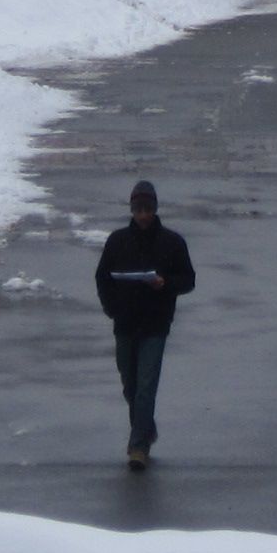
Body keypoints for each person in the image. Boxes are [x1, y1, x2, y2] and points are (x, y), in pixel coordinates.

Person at [94, 179, 196, 469]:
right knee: (130, 384)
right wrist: (111, 307)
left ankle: (137, 447)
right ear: (131, 209)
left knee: (146, 387)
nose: (143, 215)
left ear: (155, 208)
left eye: (148, 208)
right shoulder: (117, 241)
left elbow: (188, 279)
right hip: (125, 323)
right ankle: (146, 428)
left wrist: (165, 284)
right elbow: (102, 277)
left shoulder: (172, 243)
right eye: (138, 209)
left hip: (155, 324)